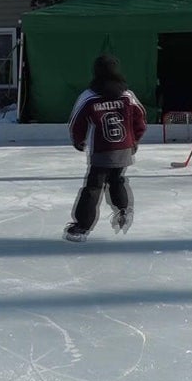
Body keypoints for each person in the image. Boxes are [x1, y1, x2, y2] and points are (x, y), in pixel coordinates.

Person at [65, 53, 148, 242]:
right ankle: (124, 209)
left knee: (94, 187)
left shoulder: (89, 97)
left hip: (102, 149)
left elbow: (76, 122)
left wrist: (79, 140)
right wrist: (134, 139)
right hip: (124, 147)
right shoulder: (127, 95)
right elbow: (141, 119)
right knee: (117, 179)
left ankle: (81, 227)